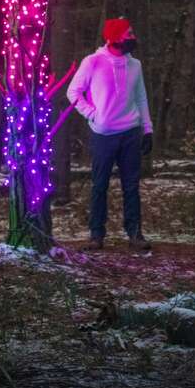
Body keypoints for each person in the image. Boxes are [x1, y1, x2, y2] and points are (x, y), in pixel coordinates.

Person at [66, 17, 154, 252]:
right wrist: (92, 114)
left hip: (130, 132)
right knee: (99, 185)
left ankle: (135, 233)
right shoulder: (93, 62)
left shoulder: (135, 65)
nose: (132, 37)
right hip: (103, 134)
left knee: (131, 186)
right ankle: (96, 235)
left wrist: (147, 128)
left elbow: (141, 97)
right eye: (129, 33)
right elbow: (73, 92)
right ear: (114, 37)